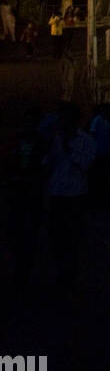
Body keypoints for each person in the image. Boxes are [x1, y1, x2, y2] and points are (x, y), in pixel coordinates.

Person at [44, 102, 96, 287]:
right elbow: (47, 164)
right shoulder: (54, 140)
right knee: (56, 235)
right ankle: (60, 268)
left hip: (75, 192)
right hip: (57, 191)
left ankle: (71, 271)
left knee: (73, 235)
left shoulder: (85, 140)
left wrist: (70, 152)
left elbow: (86, 165)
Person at [4, 106, 47, 283]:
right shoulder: (16, 139)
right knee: (16, 229)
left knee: (28, 231)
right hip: (19, 188)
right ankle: (21, 264)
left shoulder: (41, 142)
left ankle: (23, 268)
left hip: (31, 189)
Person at [88, 103, 110, 205]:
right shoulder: (98, 120)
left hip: (105, 151)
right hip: (99, 151)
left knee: (104, 175)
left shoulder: (106, 121)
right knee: (99, 175)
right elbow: (92, 133)